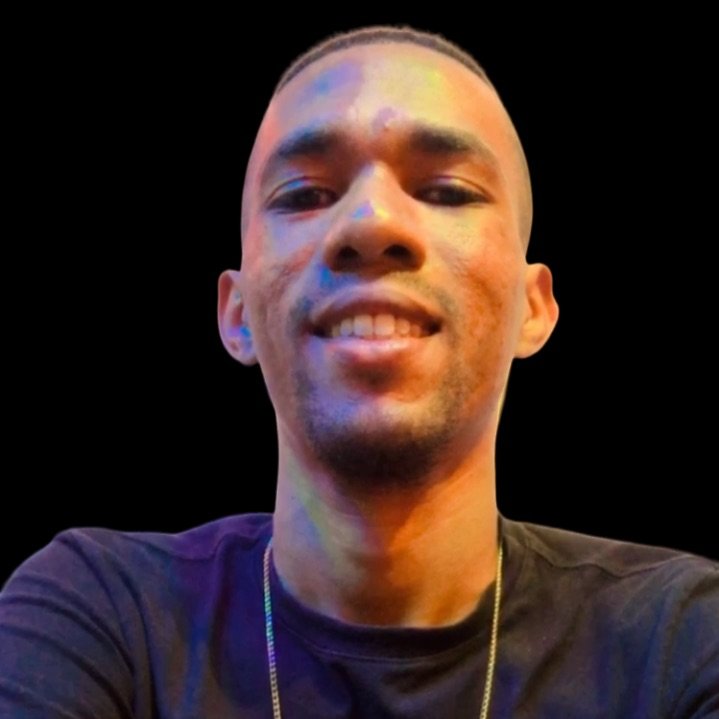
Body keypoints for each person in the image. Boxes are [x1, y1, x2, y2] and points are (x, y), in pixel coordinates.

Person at [1, 24, 717, 719]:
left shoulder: (678, 638)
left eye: (446, 190)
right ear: (237, 313)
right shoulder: (99, 617)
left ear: (531, 308)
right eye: (305, 194)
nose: (372, 222)